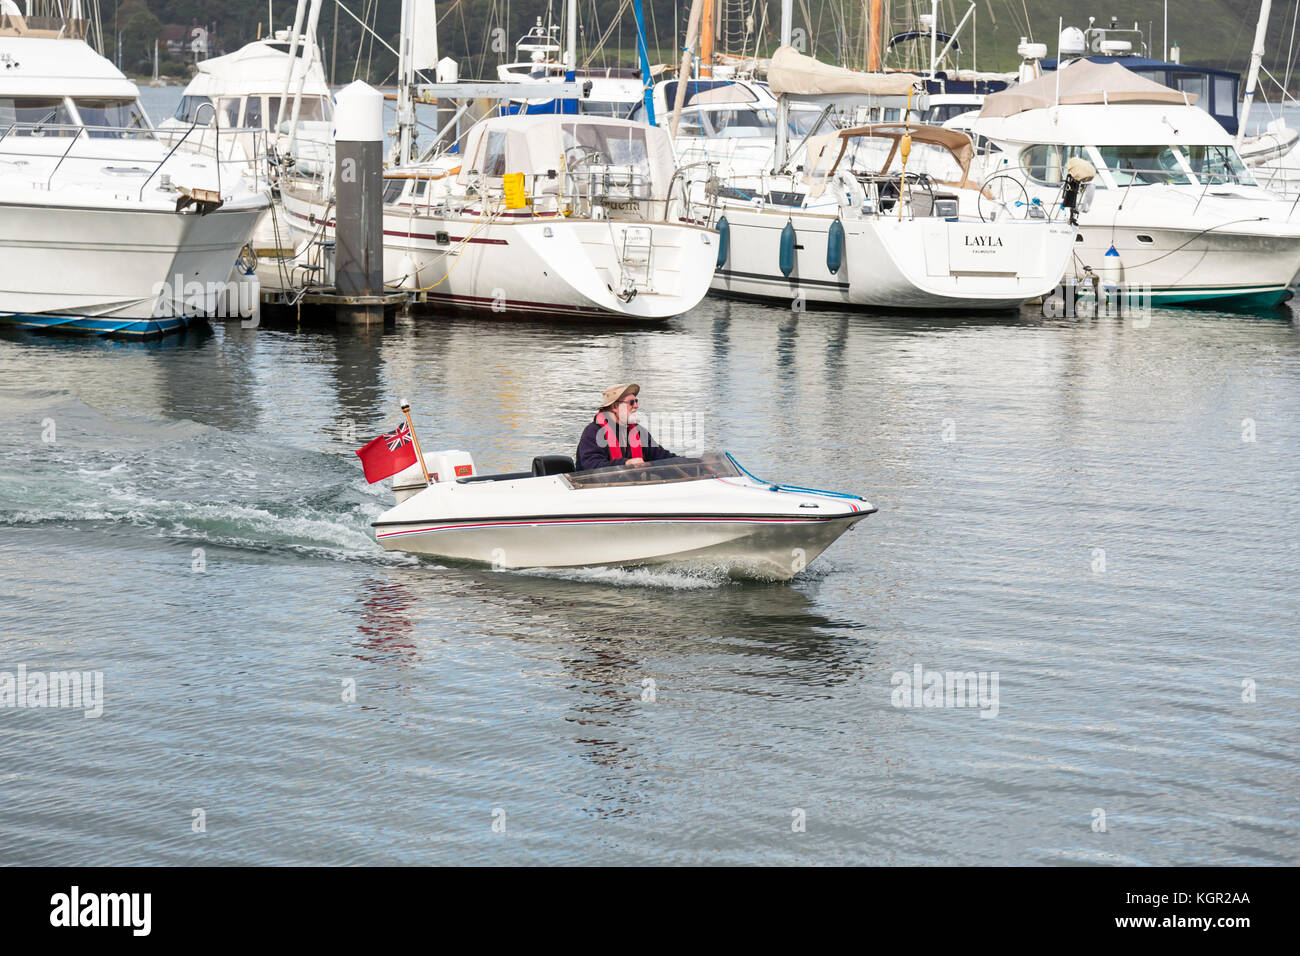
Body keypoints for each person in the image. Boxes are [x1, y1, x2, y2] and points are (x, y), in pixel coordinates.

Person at [575, 383, 675, 470]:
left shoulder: (639, 432)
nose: (636, 406)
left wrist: (687, 462)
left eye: (636, 401)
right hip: (599, 489)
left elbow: (662, 456)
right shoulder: (593, 432)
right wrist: (625, 463)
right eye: (631, 402)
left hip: (632, 487)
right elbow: (591, 466)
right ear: (615, 406)